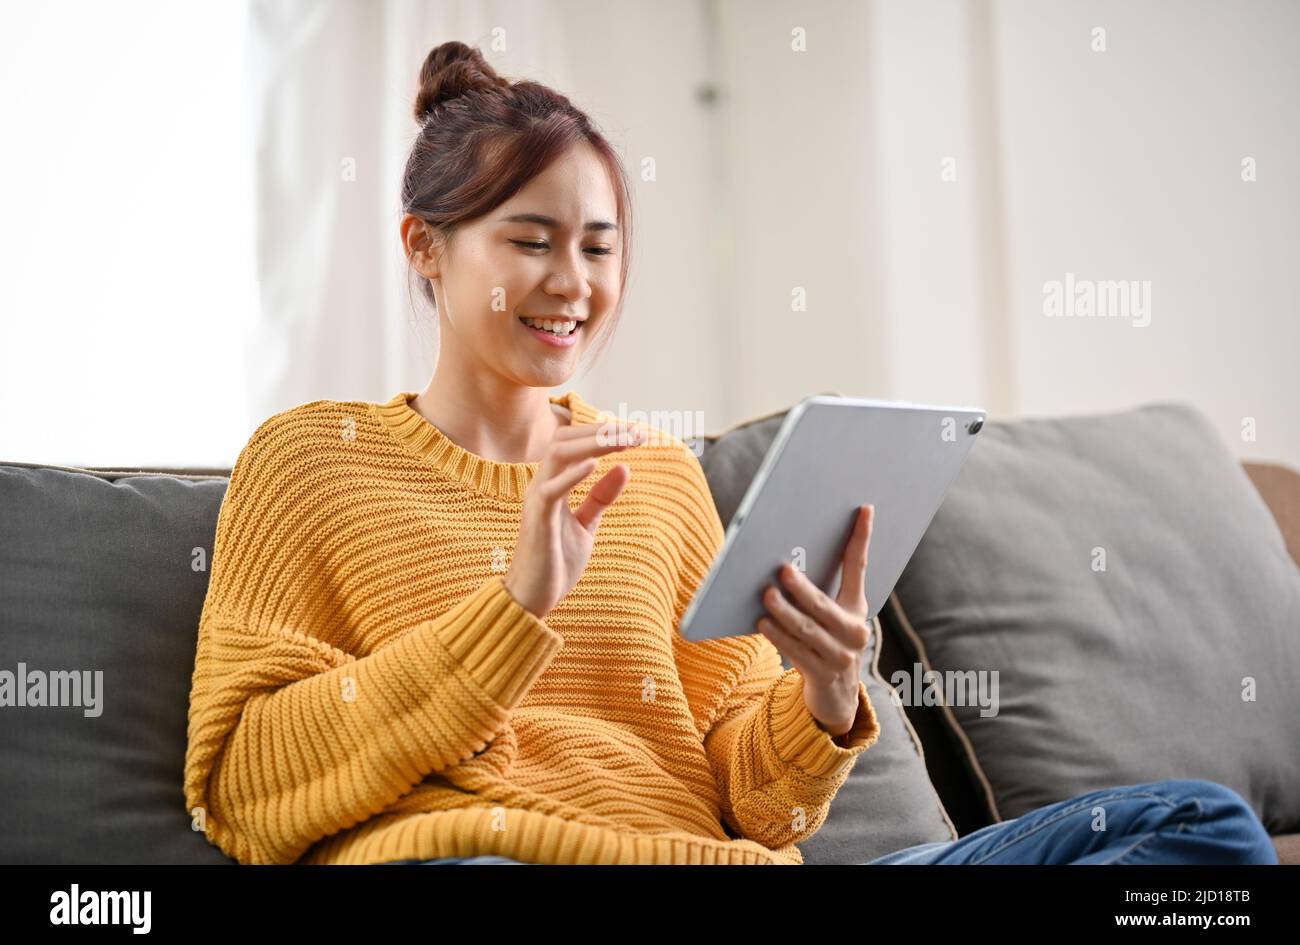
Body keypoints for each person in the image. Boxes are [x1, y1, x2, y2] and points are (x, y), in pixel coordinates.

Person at [182, 41, 1278, 867]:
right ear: (424, 244)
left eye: (599, 246)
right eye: (530, 240)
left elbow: (757, 803)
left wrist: (824, 695)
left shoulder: (653, 481)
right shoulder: (310, 462)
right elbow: (245, 786)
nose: (574, 283)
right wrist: (511, 610)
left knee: (1198, 835)